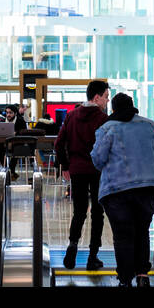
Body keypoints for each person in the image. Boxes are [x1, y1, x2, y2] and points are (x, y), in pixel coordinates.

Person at [90, 92, 154, 287]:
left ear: (113, 109)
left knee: (122, 235)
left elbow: (98, 160)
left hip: (116, 191)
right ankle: (142, 275)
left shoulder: (107, 128)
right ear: (133, 106)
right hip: (147, 188)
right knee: (142, 231)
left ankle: (125, 279)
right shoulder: (149, 125)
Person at [54, 79, 109, 271]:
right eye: (106, 97)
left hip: (77, 170)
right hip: (97, 171)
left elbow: (59, 144)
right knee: (97, 213)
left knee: (79, 211)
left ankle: (73, 245)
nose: (107, 101)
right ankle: (93, 256)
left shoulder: (71, 115)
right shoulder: (103, 119)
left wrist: (66, 165)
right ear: (97, 97)